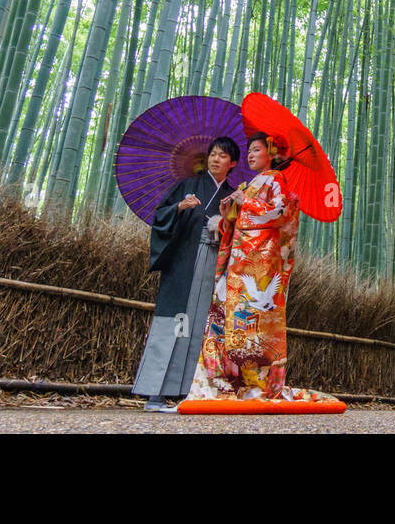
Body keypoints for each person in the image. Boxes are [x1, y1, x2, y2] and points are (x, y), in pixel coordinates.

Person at [182, 132, 335, 404]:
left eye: (256, 150)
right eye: (249, 150)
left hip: (256, 268)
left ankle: (251, 384)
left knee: (251, 326)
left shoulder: (276, 180)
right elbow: (241, 221)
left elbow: (283, 211)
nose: (250, 155)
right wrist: (227, 215)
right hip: (237, 265)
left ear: (271, 154)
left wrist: (246, 203)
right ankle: (220, 380)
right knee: (222, 318)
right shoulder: (253, 182)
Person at [132, 137, 239, 412]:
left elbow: (242, 236)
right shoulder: (188, 185)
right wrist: (179, 208)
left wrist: (224, 224)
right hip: (185, 263)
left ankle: (189, 391)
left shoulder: (232, 196)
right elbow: (160, 216)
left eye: (223, 156)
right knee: (178, 323)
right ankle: (156, 393)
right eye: (213, 154)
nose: (216, 159)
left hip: (215, 267)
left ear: (233, 164)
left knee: (202, 326)